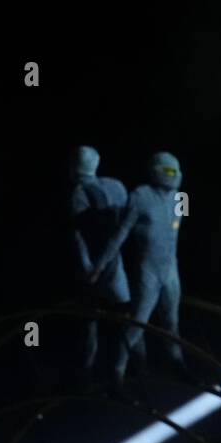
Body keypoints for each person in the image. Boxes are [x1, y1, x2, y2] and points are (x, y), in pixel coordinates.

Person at [93, 152, 190, 384]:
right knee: (137, 324)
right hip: (148, 270)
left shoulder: (180, 198)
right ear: (156, 171)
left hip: (170, 269)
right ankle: (118, 371)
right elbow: (120, 235)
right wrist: (100, 266)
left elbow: (175, 230)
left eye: (176, 170)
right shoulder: (140, 196)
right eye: (168, 171)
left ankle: (177, 363)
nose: (174, 176)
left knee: (171, 322)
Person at [68, 145, 137, 384]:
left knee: (100, 320)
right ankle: (99, 373)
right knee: (103, 319)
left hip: (102, 262)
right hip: (106, 262)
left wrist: (88, 266)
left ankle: (113, 372)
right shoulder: (115, 187)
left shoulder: (81, 194)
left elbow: (79, 237)